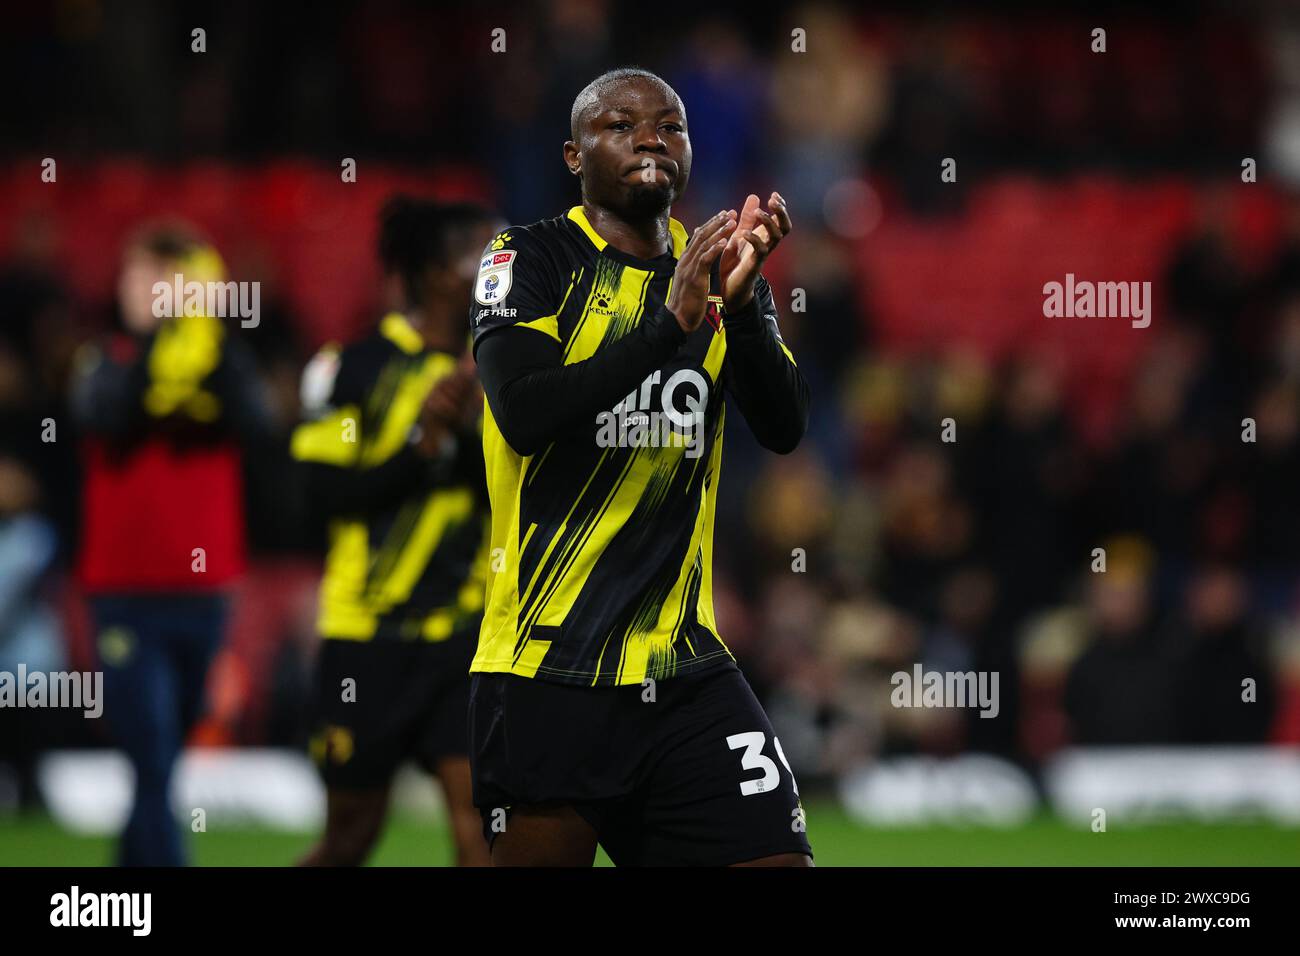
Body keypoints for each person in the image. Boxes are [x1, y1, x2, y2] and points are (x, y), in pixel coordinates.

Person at [468, 67, 812, 866]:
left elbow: (786, 428)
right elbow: (524, 414)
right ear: (572, 155)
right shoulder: (527, 259)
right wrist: (667, 327)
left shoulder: (713, 264)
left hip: (684, 665)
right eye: (620, 125)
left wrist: (747, 310)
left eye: (670, 125)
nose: (651, 137)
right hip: (550, 666)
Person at [293, 196, 497, 866]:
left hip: (463, 637)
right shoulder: (350, 368)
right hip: (366, 638)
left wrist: (463, 436)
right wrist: (422, 442)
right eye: (480, 251)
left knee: (481, 837)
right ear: (438, 271)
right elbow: (324, 496)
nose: (499, 265)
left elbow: (507, 492)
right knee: (352, 837)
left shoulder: (500, 372)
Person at [71, 223, 276, 866]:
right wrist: (165, 349)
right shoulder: (104, 360)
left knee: (163, 751)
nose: (140, 289)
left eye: (157, 278)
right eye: (136, 277)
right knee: (152, 744)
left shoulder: (222, 359)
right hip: (125, 592)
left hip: (205, 588)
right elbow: (106, 417)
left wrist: (201, 346)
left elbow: (259, 423)